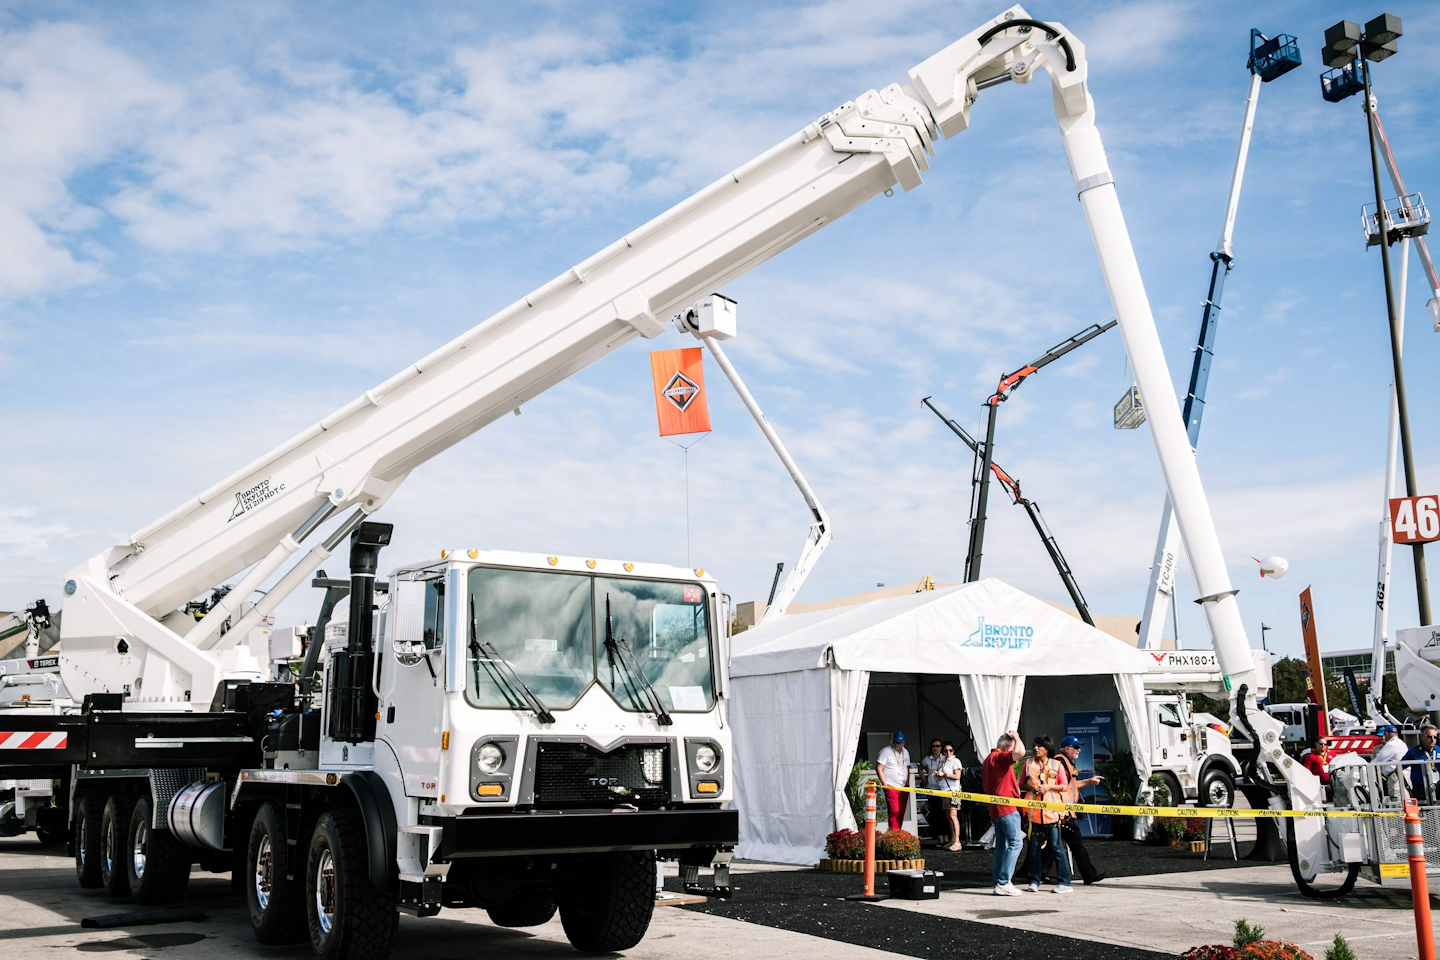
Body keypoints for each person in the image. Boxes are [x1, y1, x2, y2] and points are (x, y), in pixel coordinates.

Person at [1023, 736, 1073, 894]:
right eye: (1035, 745)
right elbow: (1021, 785)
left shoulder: (1056, 764)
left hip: (1052, 812)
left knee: (1056, 846)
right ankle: (1033, 880)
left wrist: (1048, 787)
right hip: (1034, 813)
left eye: (1040, 746)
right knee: (1034, 848)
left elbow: (1064, 786)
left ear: (1047, 749)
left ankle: (1065, 882)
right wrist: (1032, 789)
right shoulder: (1028, 763)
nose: (1036, 748)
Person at [1055, 735, 1107, 884]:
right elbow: (1059, 787)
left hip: (1064, 811)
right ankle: (1088, 874)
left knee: (1051, 845)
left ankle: (1034, 873)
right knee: (1074, 843)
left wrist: (1089, 782)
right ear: (1066, 749)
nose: (1079, 750)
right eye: (1075, 747)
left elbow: (1070, 785)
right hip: (1062, 812)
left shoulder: (1066, 763)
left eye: (1079, 747)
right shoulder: (1061, 763)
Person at [983, 730, 1025, 896]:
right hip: (1006, 808)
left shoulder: (989, 759)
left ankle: (999, 881)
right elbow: (1020, 752)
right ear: (1007, 747)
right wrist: (1016, 736)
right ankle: (1003, 882)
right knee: (1016, 842)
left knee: (1002, 845)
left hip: (996, 809)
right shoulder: (999, 758)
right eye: (1011, 748)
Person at [876, 731, 911, 832]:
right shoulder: (886, 751)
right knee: (894, 811)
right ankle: (894, 834)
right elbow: (879, 767)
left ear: (903, 743)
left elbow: (907, 767)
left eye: (899, 743)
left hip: (904, 785)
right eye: (895, 742)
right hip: (891, 785)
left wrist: (907, 782)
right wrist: (885, 783)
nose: (897, 745)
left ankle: (898, 832)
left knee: (901, 811)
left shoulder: (906, 752)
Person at [935, 740, 964, 851]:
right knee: (948, 816)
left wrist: (944, 775)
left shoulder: (955, 761)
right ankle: (952, 840)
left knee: (953, 815)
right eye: (946, 750)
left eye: (950, 750)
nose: (948, 752)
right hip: (945, 791)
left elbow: (957, 776)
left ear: (953, 751)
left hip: (953, 791)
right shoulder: (943, 761)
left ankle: (957, 841)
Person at [921, 738, 949, 845]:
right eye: (933, 746)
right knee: (935, 814)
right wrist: (924, 780)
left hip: (942, 789)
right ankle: (940, 838)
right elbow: (920, 768)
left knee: (944, 813)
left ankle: (946, 837)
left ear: (941, 748)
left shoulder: (945, 759)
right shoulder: (927, 759)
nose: (935, 748)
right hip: (931, 789)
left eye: (937, 746)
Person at [1404, 723, 1440, 803]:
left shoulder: (1439, 750)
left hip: (1438, 787)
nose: (1433, 739)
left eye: (1435, 737)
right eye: (1429, 736)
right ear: (1422, 737)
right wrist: (1407, 787)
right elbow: (1398, 769)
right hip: (1420, 788)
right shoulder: (1414, 752)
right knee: (1423, 811)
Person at [1371, 725, 1408, 801]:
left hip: (1396, 777)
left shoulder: (1391, 744)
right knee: (1406, 800)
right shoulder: (1401, 743)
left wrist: (1366, 766)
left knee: (1397, 801)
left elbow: (1378, 759)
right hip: (1403, 775)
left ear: (1387, 733)